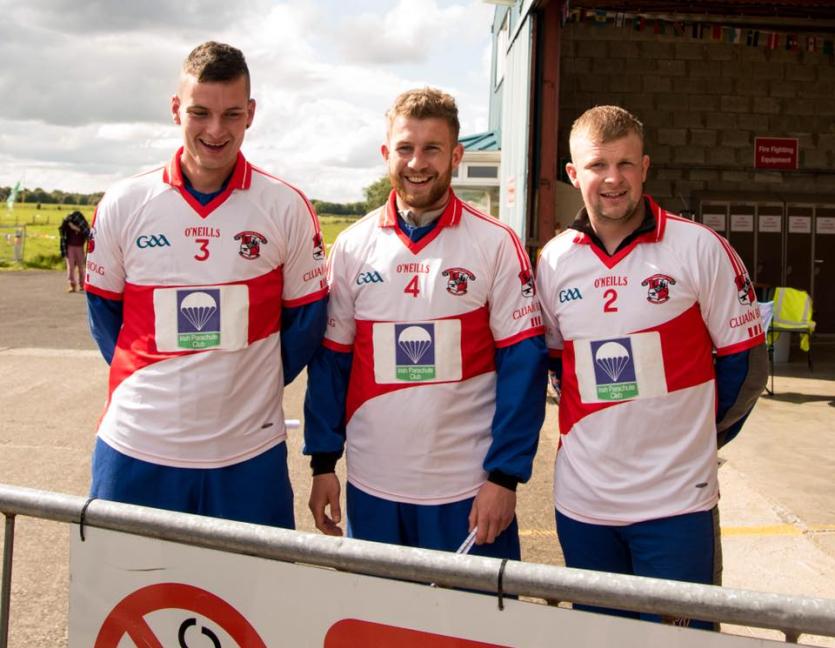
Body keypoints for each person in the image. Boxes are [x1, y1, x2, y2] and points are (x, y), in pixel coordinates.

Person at [536, 105, 768, 628]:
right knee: (598, 637)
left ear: (645, 167)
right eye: (597, 165)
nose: (612, 179)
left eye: (625, 163)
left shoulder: (699, 247)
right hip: (584, 505)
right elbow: (556, 366)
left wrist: (699, 437)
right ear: (573, 174)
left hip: (676, 504)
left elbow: (746, 367)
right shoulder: (553, 260)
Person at [84, 41, 327, 528]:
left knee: (251, 581)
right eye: (200, 113)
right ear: (176, 109)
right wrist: (158, 383)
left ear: (250, 114)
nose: (216, 130)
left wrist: (246, 385)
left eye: (231, 114)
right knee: (129, 579)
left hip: (248, 452)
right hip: (136, 445)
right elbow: (104, 314)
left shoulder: (285, 206)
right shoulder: (125, 202)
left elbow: (307, 324)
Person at [303, 87, 547, 560]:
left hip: (467, 488)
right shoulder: (352, 246)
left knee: (472, 613)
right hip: (374, 486)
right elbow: (331, 364)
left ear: (455, 155)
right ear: (386, 154)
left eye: (432, 148)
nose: (417, 163)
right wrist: (323, 463)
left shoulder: (496, 243)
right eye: (405, 148)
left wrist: (504, 477)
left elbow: (524, 367)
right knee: (379, 610)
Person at [59, 210, 90, 292]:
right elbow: (63, 233)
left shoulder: (82, 225)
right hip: (70, 247)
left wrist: (74, 227)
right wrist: (70, 225)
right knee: (70, 267)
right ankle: (72, 285)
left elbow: (86, 232)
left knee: (81, 267)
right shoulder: (67, 224)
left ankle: (82, 285)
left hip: (80, 247)